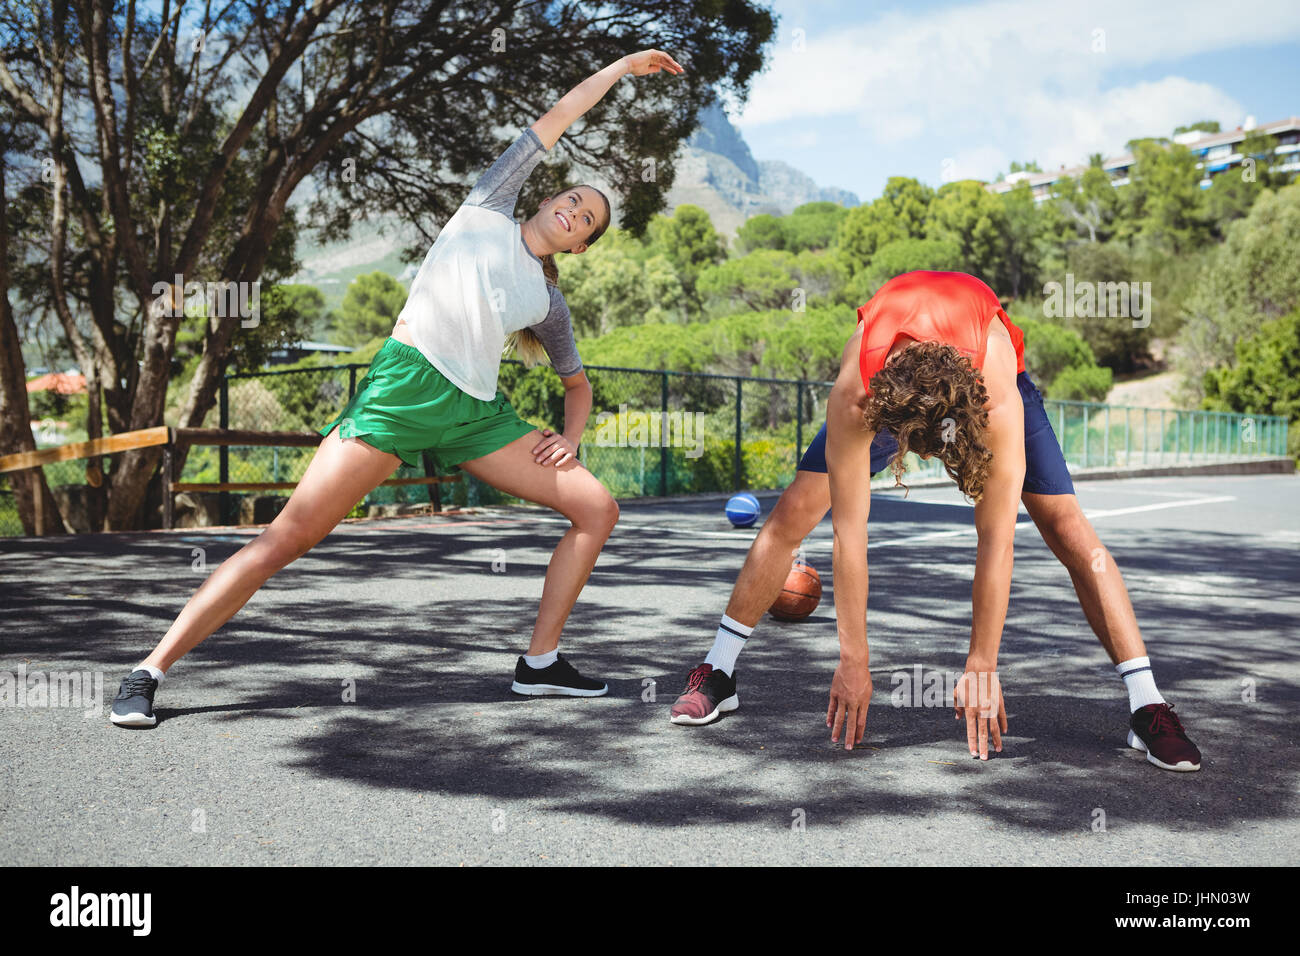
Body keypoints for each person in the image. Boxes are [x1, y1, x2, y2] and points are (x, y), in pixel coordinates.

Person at [111, 49, 686, 728]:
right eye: (573, 200)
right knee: (286, 538)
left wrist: (571, 438)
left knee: (598, 509)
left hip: (476, 416)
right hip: (403, 392)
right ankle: (148, 670)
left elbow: (578, 385)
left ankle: (540, 665)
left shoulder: (548, 302)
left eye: (587, 219)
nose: (575, 212)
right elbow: (561, 115)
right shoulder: (488, 205)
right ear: (546, 197)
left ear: (582, 247)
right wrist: (620, 69)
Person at [669, 270, 1202, 772]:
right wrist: (854, 659)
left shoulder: (994, 401)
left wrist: (981, 664)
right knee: (791, 517)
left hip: (982, 378)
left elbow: (995, 540)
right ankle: (717, 670)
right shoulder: (858, 394)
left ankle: (1147, 705)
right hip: (889, 387)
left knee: (1071, 533)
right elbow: (850, 533)